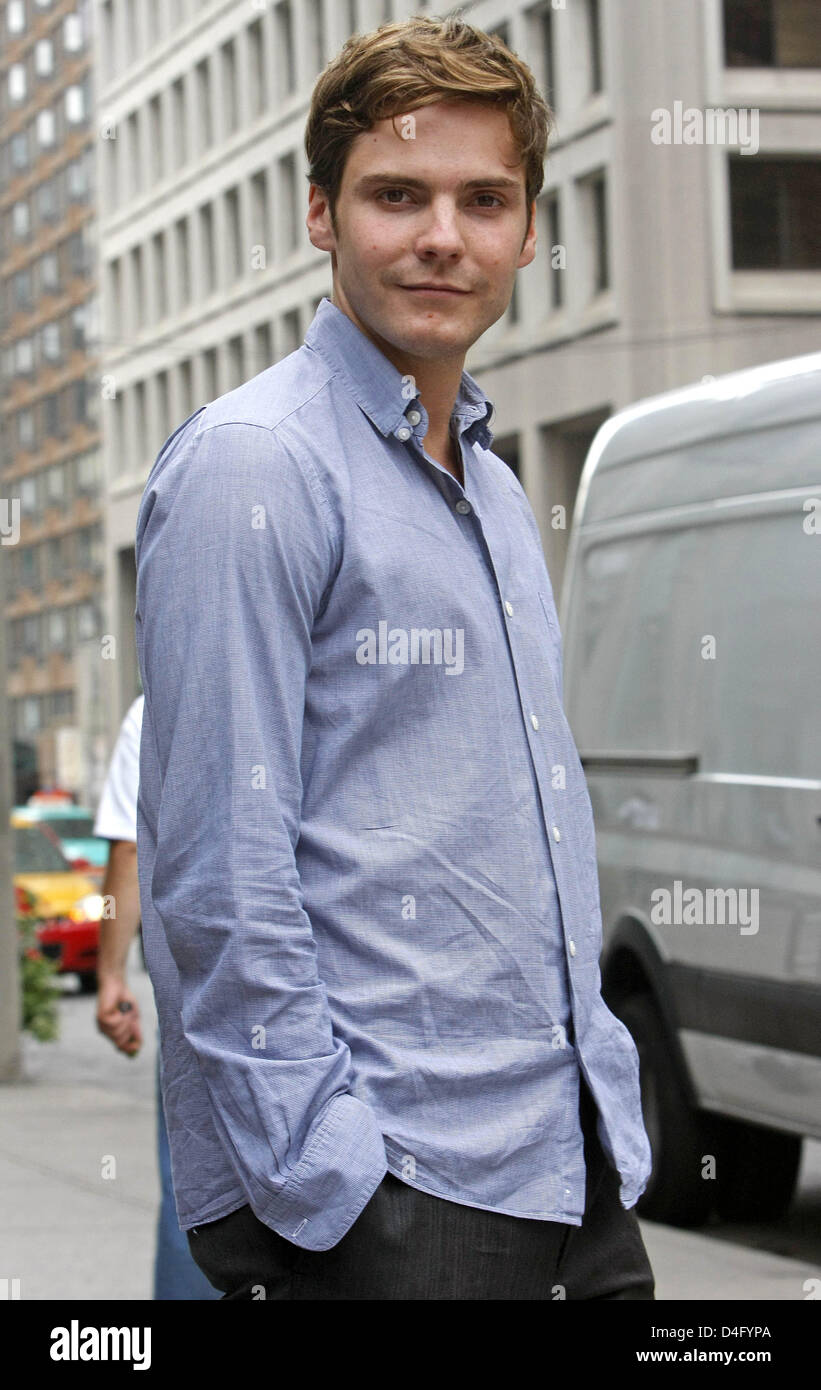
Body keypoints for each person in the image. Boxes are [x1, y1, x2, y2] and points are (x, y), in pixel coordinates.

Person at [134, 14, 655, 1300]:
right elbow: (213, 876)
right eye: (395, 194)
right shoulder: (255, 465)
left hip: (563, 1164)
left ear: (529, 232)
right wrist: (338, 1186)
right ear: (320, 215)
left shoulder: (485, 488)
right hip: (396, 1196)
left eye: (484, 199)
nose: (443, 235)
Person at [93, 693, 221, 1300]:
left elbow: (128, 846)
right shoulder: (311, 673)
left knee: (195, 1192)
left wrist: (111, 975)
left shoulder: (155, 707)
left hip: (202, 993)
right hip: (322, 984)